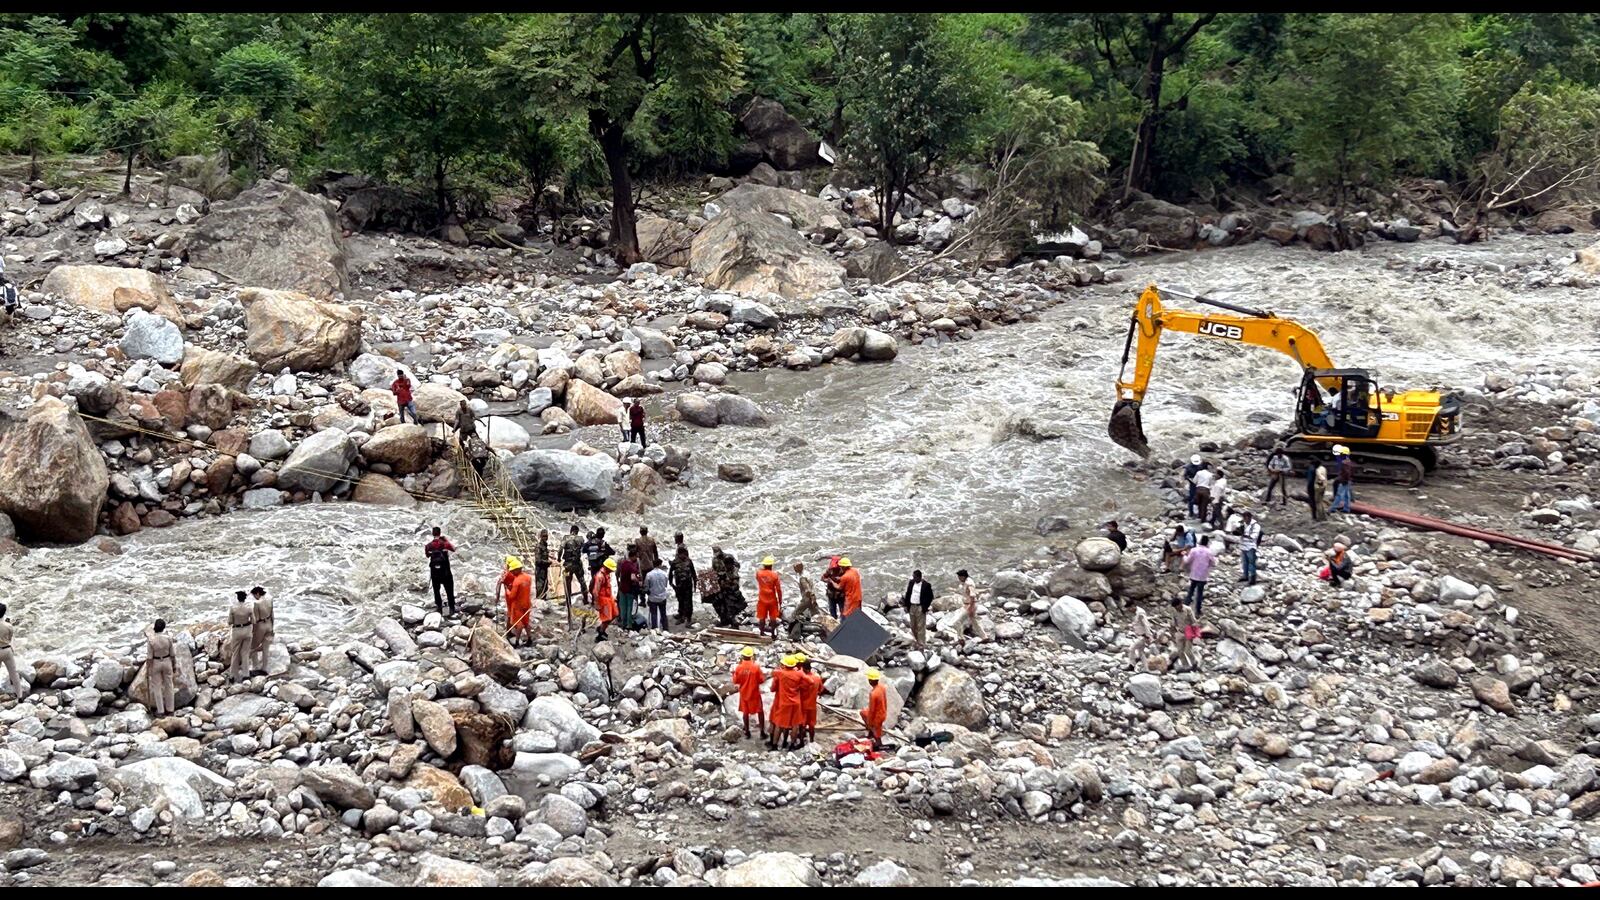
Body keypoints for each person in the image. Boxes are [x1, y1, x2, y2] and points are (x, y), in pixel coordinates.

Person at [497, 556, 534, 646]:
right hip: (527, 603)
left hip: (518, 604)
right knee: (526, 622)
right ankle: (529, 639)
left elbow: (512, 596)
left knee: (519, 624)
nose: (512, 572)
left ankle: (517, 642)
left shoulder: (516, 581)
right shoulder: (528, 577)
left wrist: (507, 589)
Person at [730, 647, 767, 739]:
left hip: (744, 693)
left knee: (745, 713)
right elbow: (761, 680)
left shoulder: (739, 667)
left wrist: (733, 673)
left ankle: (747, 732)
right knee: (760, 711)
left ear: (742, 656)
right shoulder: (756, 667)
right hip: (754, 693)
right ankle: (762, 732)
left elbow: (736, 681)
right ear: (752, 656)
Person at [769, 655, 803, 750]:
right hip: (796, 703)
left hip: (784, 703)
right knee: (795, 724)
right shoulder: (799, 674)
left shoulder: (781, 674)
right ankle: (792, 744)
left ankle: (774, 746)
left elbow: (773, 682)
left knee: (779, 725)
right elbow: (809, 682)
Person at [145, 618, 176, 715]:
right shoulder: (168, 638)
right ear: (164, 627)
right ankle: (170, 709)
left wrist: (148, 669)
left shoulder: (151, 640)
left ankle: (160, 710)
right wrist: (174, 664)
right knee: (169, 685)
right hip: (167, 661)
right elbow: (173, 654)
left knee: (157, 687)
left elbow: (149, 657)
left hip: (156, 662)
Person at [709, 546, 746, 627]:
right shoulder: (715, 560)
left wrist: (726, 583)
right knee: (717, 603)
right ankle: (724, 620)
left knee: (730, 609)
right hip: (723, 588)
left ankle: (733, 623)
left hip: (731, 593)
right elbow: (714, 570)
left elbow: (734, 585)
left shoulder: (733, 570)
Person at [425, 527, 457, 615]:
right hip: (445, 571)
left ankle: (439, 608)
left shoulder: (428, 546)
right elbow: (454, 549)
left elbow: (427, 555)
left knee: (436, 590)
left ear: (432, 533)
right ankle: (452, 608)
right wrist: (446, 540)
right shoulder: (445, 543)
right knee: (449, 590)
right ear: (440, 533)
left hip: (435, 572)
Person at [1182, 536, 1215, 617]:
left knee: (1191, 591)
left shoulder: (1194, 550)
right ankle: (1198, 610)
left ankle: (1185, 606)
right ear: (1207, 542)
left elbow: (1187, 561)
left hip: (1194, 574)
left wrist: (1184, 555)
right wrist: (1208, 566)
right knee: (1200, 593)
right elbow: (1213, 563)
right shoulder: (1209, 552)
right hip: (1203, 576)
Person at [226, 590, 254, 683]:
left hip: (237, 631)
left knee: (235, 653)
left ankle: (232, 675)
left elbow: (230, 622)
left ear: (237, 598)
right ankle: (246, 675)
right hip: (247, 631)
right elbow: (253, 620)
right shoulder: (249, 607)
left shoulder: (233, 608)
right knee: (245, 653)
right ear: (245, 598)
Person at [902, 570, 933, 646]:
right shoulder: (911, 583)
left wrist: (925, 607)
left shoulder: (926, 585)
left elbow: (930, 597)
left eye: (915, 577)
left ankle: (921, 643)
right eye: (913, 577)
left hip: (920, 607)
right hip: (912, 606)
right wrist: (906, 605)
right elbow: (908, 594)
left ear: (919, 577)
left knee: (920, 626)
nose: (914, 578)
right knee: (913, 625)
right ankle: (916, 639)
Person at [0, 603, 24, 699]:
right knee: (14, 674)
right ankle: (20, 696)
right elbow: (10, 638)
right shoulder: (8, 626)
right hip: (6, 650)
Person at [755, 556, 783, 637]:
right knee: (773, 617)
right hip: (772, 599)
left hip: (762, 598)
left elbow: (758, 579)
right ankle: (773, 633)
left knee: (762, 617)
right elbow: (778, 589)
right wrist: (780, 601)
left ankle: (761, 632)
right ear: (771, 565)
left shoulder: (759, 573)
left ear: (764, 565)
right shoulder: (774, 575)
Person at [1169, 602, 1201, 672]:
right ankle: (1186, 666)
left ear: (1181, 604)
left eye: (1178, 606)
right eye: (1175, 607)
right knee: (1180, 652)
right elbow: (1173, 623)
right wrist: (1173, 632)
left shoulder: (1188, 609)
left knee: (1187, 651)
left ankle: (1194, 663)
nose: (1177, 608)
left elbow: (1194, 621)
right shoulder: (1174, 611)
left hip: (1188, 633)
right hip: (1179, 632)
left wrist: (1196, 634)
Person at [861, 668, 888, 749]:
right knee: (863, 712)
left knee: (876, 729)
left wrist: (869, 723)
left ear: (870, 681)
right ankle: (871, 733)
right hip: (883, 713)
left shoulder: (873, 694)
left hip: (877, 717)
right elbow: (885, 701)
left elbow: (872, 711)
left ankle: (878, 743)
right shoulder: (882, 688)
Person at [798, 656, 823, 745]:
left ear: (803, 668)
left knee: (802, 725)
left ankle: (801, 742)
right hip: (812, 705)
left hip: (803, 705)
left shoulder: (802, 679)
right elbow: (820, 690)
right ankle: (812, 741)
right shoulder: (817, 677)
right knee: (812, 725)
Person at [250, 586, 274, 676]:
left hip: (261, 626)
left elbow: (255, 620)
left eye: (254, 595)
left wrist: (252, 631)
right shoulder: (270, 599)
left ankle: (255, 666)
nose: (254, 597)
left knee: (253, 647)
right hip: (269, 624)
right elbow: (272, 614)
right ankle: (264, 667)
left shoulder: (257, 603)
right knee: (266, 648)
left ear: (257, 593)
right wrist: (272, 628)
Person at [670, 545, 697, 626]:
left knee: (689, 602)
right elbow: (670, 573)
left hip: (688, 586)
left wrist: (695, 584)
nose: (683, 555)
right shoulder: (675, 562)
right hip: (679, 586)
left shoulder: (689, 561)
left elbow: (693, 573)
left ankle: (689, 618)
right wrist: (671, 584)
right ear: (679, 554)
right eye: (682, 554)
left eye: (684, 554)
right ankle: (681, 616)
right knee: (680, 601)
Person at [617, 544, 642, 632]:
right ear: (633, 556)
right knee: (629, 607)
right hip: (629, 589)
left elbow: (618, 574)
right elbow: (632, 577)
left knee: (622, 606)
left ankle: (623, 623)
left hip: (622, 588)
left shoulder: (623, 563)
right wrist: (638, 581)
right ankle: (629, 624)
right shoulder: (632, 566)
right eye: (636, 556)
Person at [561, 524, 587, 604]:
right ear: (577, 532)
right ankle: (585, 599)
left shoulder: (566, 538)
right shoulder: (581, 539)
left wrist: (559, 558)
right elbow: (584, 549)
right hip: (577, 563)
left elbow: (560, 549)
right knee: (582, 580)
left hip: (568, 564)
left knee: (567, 582)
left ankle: (568, 601)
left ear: (571, 531)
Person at [789, 562, 820, 630]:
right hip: (812, 597)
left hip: (807, 599)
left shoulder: (802, 578)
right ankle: (819, 628)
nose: (794, 569)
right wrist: (813, 599)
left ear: (799, 568)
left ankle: (795, 630)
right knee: (816, 615)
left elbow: (807, 590)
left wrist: (809, 599)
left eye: (795, 568)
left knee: (794, 614)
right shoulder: (807, 574)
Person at [593, 557, 618, 640]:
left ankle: (601, 628)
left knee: (615, 614)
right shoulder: (600, 576)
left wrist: (612, 597)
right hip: (603, 600)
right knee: (607, 618)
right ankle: (600, 634)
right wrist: (596, 603)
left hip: (608, 597)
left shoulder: (606, 574)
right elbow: (595, 591)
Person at [957, 569, 985, 640]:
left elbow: (972, 595)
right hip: (972, 604)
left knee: (958, 621)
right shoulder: (968, 581)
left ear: (963, 577)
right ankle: (984, 637)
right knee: (974, 621)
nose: (959, 579)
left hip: (970, 604)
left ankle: (961, 639)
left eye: (959, 577)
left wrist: (970, 607)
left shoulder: (968, 584)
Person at [645, 557, 670, 631]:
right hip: (662, 597)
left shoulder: (649, 574)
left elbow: (646, 586)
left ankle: (654, 628)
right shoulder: (664, 574)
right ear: (660, 565)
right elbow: (665, 585)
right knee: (663, 613)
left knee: (654, 614)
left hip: (653, 597)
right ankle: (665, 628)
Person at [1238, 510, 1263, 585]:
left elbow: (1254, 536)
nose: (1245, 520)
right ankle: (1245, 575)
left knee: (1251, 563)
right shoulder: (1243, 524)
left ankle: (1252, 578)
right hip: (1243, 545)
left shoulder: (1256, 526)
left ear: (1249, 518)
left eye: (1246, 518)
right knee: (1244, 562)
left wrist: (1244, 535)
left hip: (1251, 546)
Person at [1125, 605, 1153, 670]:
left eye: (1130, 608)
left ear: (1133, 606)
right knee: (1141, 653)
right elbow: (1137, 623)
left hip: (1143, 636)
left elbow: (1146, 624)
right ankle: (1146, 668)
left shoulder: (1140, 613)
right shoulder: (1136, 613)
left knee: (1131, 649)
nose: (1129, 610)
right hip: (1140, 635)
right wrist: (1130, 626)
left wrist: (1148, 635)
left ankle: (1132, 665)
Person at [1331, 445, 1355, 513]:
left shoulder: (1344, 462)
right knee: (1347, 495)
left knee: (1339, 495)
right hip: (1347, 479)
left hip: (1344, 480)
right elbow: (1351, 472)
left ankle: (1332, 509)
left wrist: (1343, 479)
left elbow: (1346, 473)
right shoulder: (1349, 461)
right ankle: (1347, 508)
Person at [534, 528, 551, 601]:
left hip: (544, 569)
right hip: (540, 570)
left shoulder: (545, 545)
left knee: (545, 586)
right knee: (540, 587)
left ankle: (543, 601)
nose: (545, 538)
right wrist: (548, 562)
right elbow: (538, 560)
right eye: (544, 536)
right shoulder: (539, 546)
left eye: (546, 536)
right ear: (541, 536)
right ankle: (539, 603)